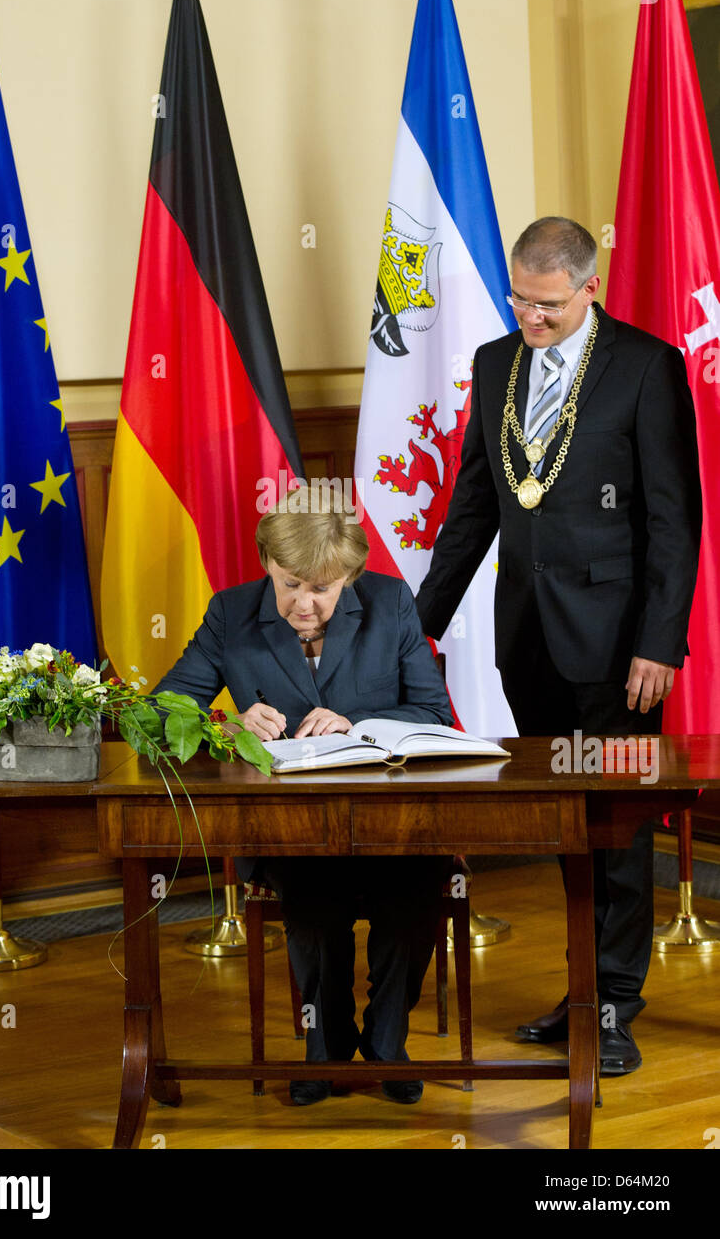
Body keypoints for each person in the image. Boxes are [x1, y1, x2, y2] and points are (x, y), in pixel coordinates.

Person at [415, 216, 702, 1076]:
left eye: (544, 305)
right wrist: (416, 624)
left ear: (588, 287)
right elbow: (472, 505)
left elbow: (673, 521)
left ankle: (614, 1004)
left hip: (620, 653)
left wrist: (658, 642)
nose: (526, 318)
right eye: (517, 300)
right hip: (528, 642)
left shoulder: (646, 367)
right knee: (566, 829)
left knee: (615, 831)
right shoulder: (496, 363)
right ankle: (579, 992)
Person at [155, 484, 454, 1105]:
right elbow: (161, 713)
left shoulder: (391, 602)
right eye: (290, 584)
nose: (304, 604)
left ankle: (388, 1045)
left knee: (417, 887)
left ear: (348, 576)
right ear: (267, 562)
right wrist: (224, 726)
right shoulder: (230, 613)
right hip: (288, 826)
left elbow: (432, 712)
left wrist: (357, 722)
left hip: (391, 819)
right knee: (315, 897)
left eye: (321, 588)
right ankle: (326, 1050)